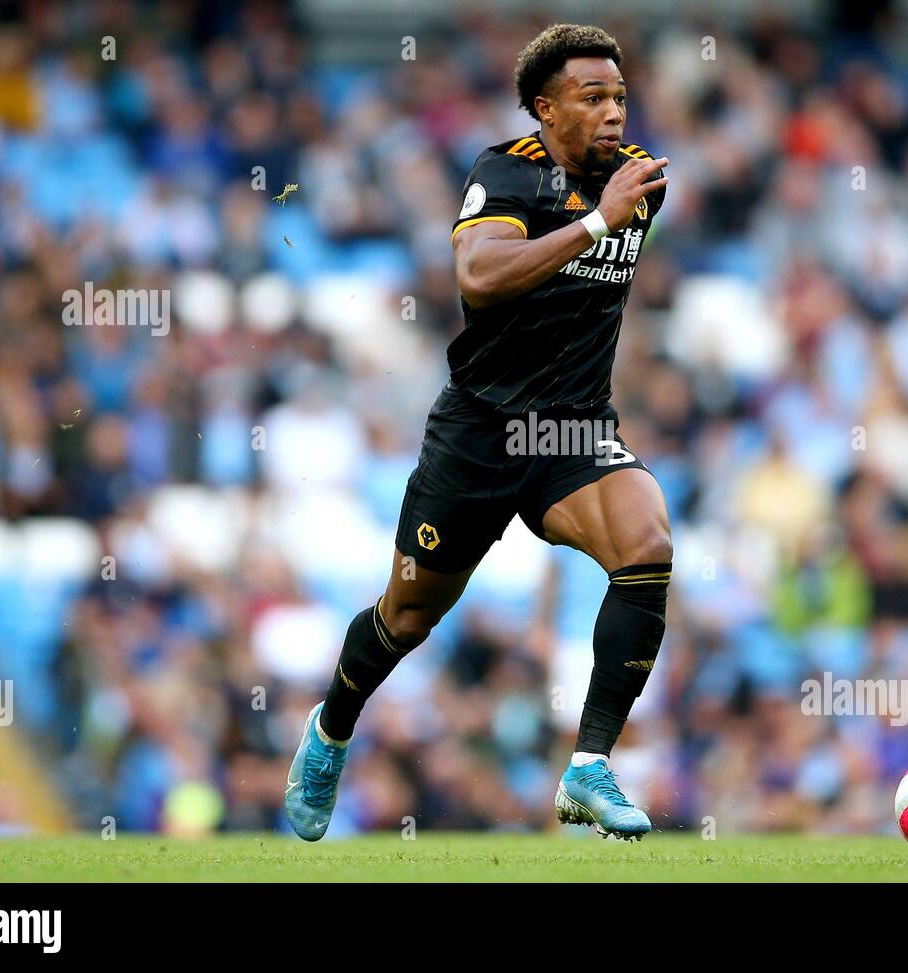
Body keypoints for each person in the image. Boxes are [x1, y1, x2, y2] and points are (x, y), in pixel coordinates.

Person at [285, 23, 672, 841]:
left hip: (569, 432)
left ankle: (589, 766)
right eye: (591, 97)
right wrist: (596, 224)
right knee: (408, 616)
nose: (612, 112)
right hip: (480, 434)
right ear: (544, 107)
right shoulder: (506, 173)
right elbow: (480, 277)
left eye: (620, 97)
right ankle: (330, 729)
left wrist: (609, 213)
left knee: (647, 544)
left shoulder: (640, 184)